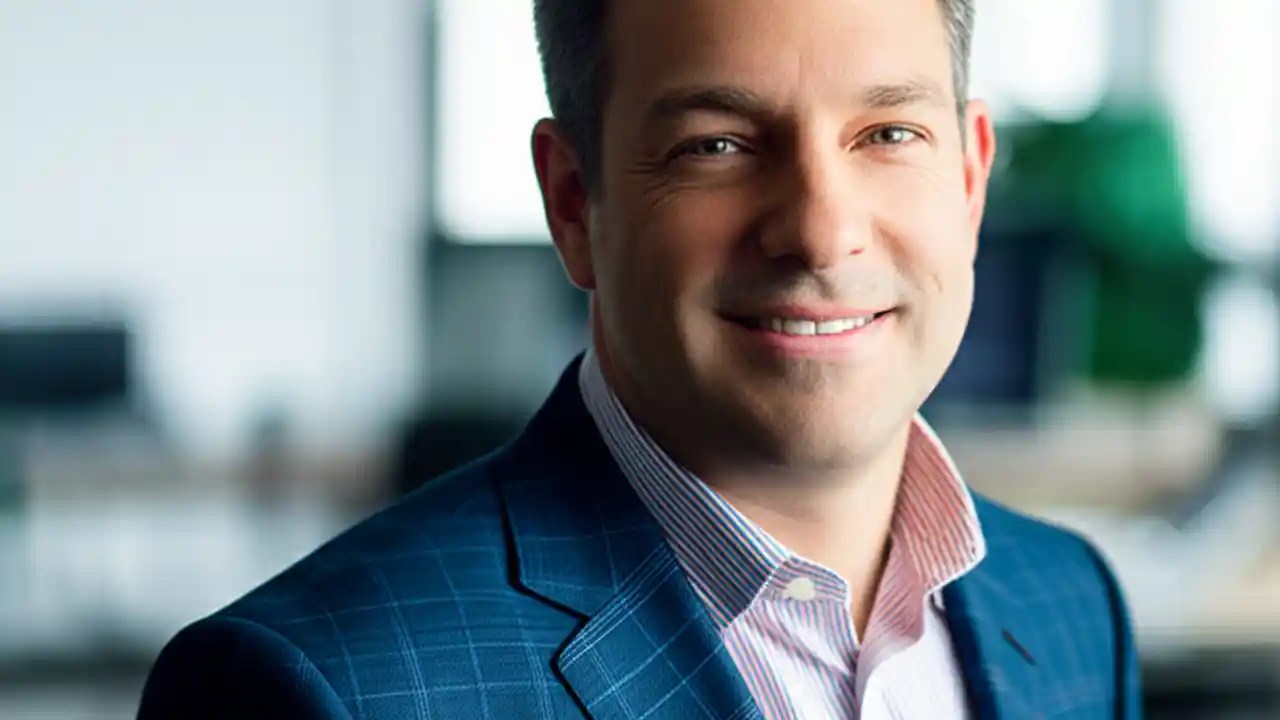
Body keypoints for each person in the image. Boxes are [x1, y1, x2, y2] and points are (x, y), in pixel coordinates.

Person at [137, 0, 1142, 717]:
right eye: (716, 145)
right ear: (573, 203)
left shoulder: (1066, 607)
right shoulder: (317, 686)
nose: (821, 231)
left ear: (967, 180)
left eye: (886, 132)